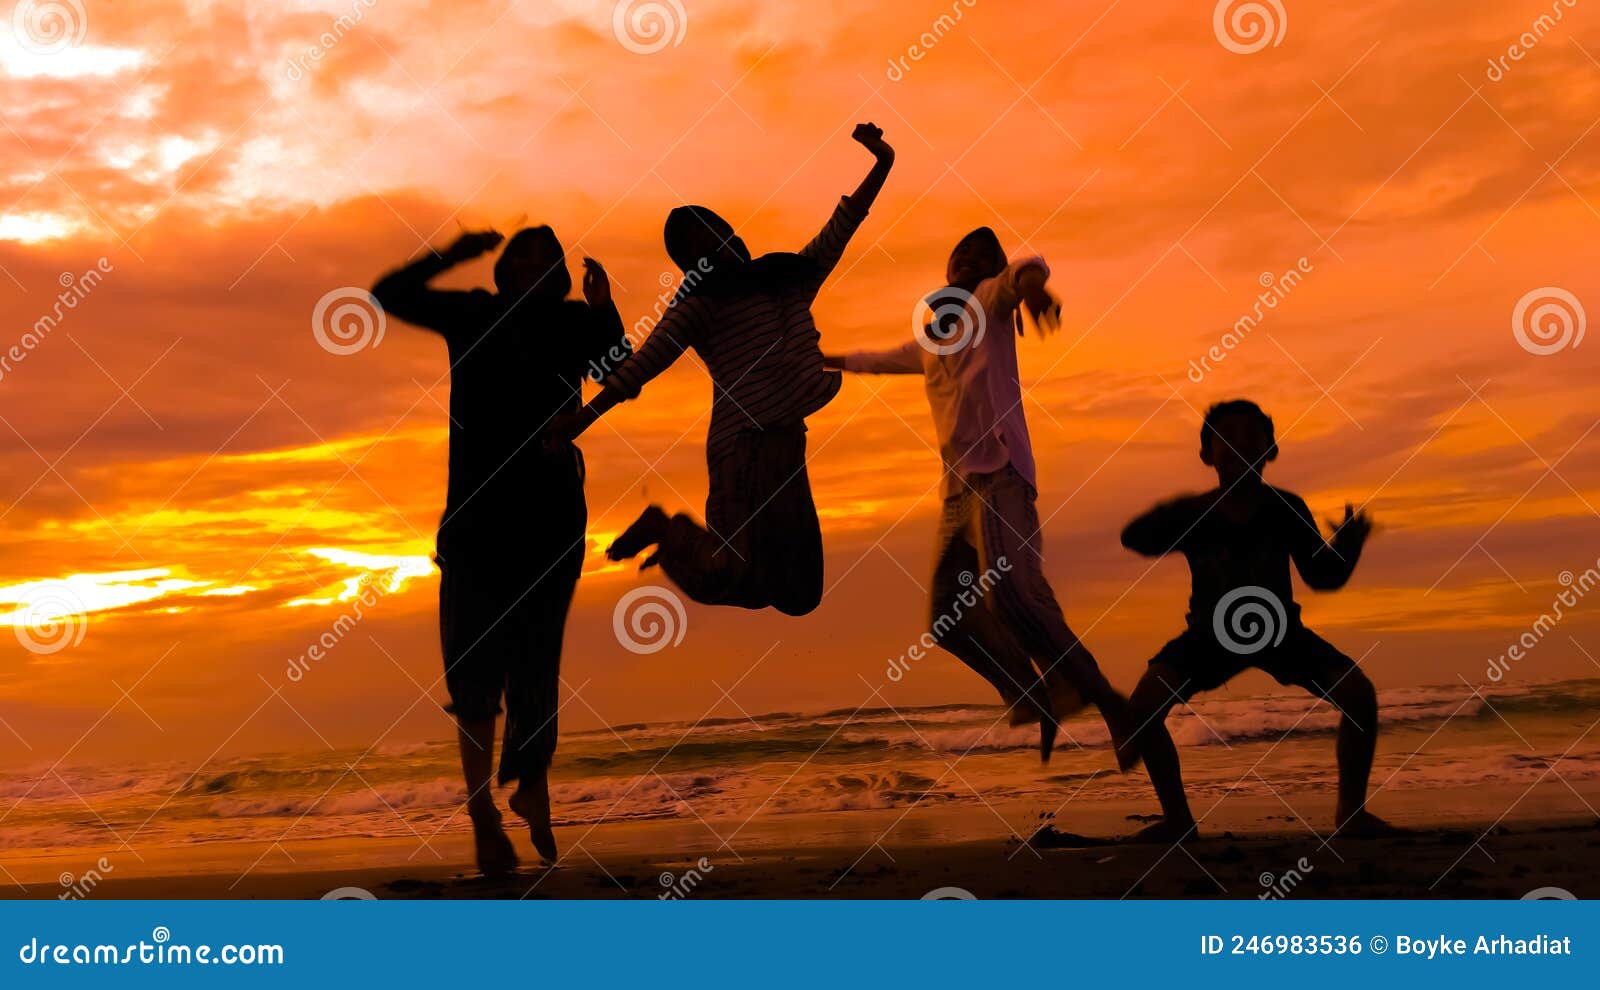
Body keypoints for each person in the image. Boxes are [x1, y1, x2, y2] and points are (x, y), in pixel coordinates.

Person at [547, 123, 896, 617]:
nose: (705, 249)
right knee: (737, 573)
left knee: (798, 594)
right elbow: (643, 365)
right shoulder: (700, 305)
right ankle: (666, 531)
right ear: (690, 267)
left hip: (786, 442)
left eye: (708, 234)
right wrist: (579, 419)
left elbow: (844, 224)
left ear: (733, 235)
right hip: (743, 447)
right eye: (689, 251)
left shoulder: (788, 278)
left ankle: (671, 536)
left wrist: (882, 162)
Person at [371, 225, 628, 873]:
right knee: (474, 668)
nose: (537, 271)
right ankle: (482, 807)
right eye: (525, 260)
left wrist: (605, 311)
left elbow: (622, 371)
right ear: (504, 270)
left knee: (537, 658)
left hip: (550, 518)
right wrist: (454, 252)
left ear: (560, 278)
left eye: (550, 263)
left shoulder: (573, 323)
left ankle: (531, 785)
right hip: (478, 522)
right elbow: (387, 294)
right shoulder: (474, 314)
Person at [822, 228, 1133, 765]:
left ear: (989, 274)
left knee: (1011, 597)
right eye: (958, 250)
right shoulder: (932, 345)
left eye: (979, 254)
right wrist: (823, 360)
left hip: (999, 477)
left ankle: (1104, 700)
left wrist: (1032, 289)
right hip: (957, 496)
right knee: (947, 617)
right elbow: (874, 359)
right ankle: (1036, 695)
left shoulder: (989, 304)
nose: (967, 257)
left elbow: (1026, 264)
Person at [1118, 399, 1390, 841]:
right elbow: (1135, 539)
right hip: (1208, 636)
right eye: (1225, 436)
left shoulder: (1286, 508)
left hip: (1281, 632)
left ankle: (1351, 813)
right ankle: (1178, 821)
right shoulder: (1197, 513)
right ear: (1207, 454)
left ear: (1270, 451)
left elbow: (1322, 576)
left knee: (1359, 696)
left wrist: (1351, 547)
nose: (1239, 443)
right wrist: (1177, 511)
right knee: (1144, 706)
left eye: (1251, 435)